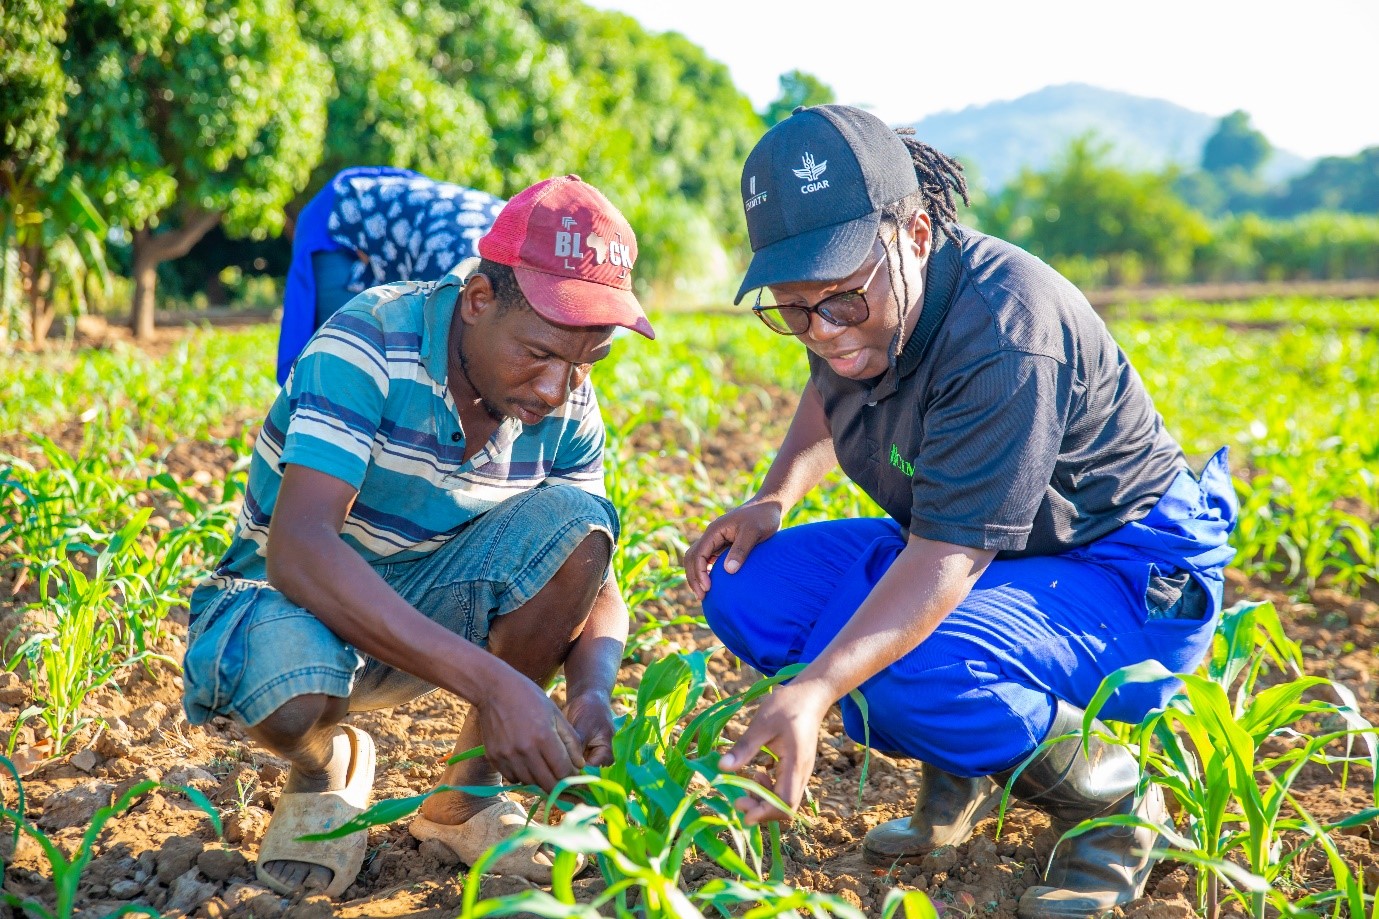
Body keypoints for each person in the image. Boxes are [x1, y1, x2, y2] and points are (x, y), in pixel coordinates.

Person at [686, 105, 1236, 919]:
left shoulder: (1006, 331)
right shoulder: (855, 307)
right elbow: (829, 382)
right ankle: (967, 758)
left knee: (900, 664)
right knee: (743, 586)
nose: (822, 332)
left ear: (912, 231)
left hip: (1122, 575)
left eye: (836, 301)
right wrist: (774, 495)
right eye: (793, 309)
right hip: (1000, 557)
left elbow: (944, 562)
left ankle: (1115, 804)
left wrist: (812, 689)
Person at [183, 175, 655, 897]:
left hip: (433, 603)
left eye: (585, 361)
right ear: (478, 301)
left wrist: (589, 692)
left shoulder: (566, 401)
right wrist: (495, 683)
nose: (558, 389)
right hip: (290, 599)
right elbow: (299, 549)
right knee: (290, 701)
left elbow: (595, 576)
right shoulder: (368, 340)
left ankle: (464, 797)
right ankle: (323, 766)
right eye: (539, 353)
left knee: (582, 524)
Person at [276, 166, 506, 385]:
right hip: (342, 221)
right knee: (345, 357)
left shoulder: (517, 255)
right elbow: (431, 349)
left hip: (405, 225)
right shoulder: (455, 270)